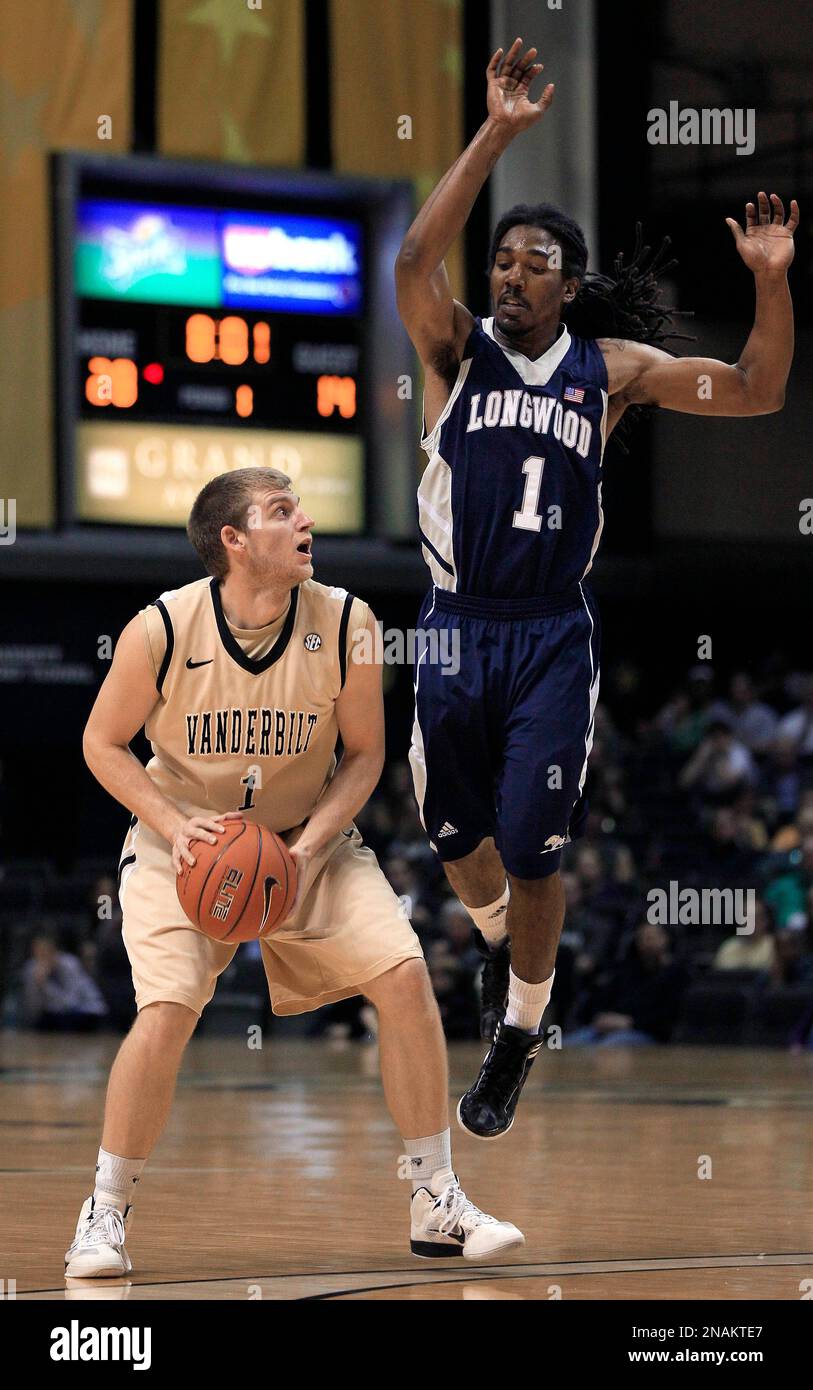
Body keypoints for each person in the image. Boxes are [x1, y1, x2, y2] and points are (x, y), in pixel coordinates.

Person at [395, 35, 799, 1138]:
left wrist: (769, 285)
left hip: (548, 638)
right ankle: (493, 950)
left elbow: (761, 391)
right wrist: (497, 132)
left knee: (533, 850)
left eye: (533, 262)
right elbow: (412, 262)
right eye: (504, 259)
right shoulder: (454, 353)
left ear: (569, 287)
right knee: (454, 839)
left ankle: (519, 1032)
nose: (509, 273)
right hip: (450, 628)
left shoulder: (609, 371)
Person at [65, 467, 522, 1280]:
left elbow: (365, 757)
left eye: (300, 508)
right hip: (183, 845)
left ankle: (435, 1198)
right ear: (233, 542)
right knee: (167, 1010)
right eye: (281, 512)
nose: (304, 521)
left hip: (305, 839)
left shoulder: (348, 621)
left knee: (405, 974)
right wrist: (177, 826)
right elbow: (102, 744)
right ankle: (104, 1210)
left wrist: (310, 845)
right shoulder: (161, 628)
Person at [21, 934, 107, 1032]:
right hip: (56, 1013)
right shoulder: (31, 969)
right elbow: (31, 1007)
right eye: (37, 953)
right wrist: (38, 984)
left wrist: (45, 985)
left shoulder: (70, 964)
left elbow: (71, 1002)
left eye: (45, 952)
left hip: (85, 1010)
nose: (42, 957)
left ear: (54, 951)